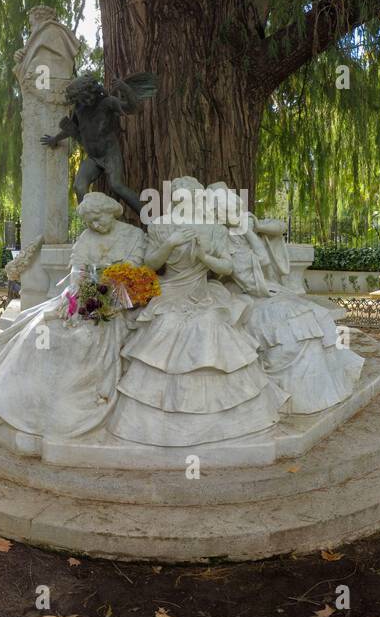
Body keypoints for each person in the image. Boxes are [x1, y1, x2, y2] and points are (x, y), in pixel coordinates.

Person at [108, 177, 286, 447]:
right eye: (178, 196)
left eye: (188, 196)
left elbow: (226, 268)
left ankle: (216, 416)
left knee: (211, 322)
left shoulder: (214, 229)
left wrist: (204, 257)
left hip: (203, 292)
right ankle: (161, 419)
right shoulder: (160, 225)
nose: (182, 200)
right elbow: (150, 265)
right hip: (169, 291)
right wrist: (170, 243)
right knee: (167, 323)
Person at [0, 192, 147, 439]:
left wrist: (105, 291)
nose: (94, 226)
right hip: (85, 296)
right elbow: (78, 268)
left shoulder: (133, 236)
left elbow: (134, 271)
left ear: (110, 212)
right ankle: (21, 393)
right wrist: (78, 292)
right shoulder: (87, 237)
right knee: (38, 324)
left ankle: (66, 403)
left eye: (98, 219)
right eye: (89, 222)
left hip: (118, 301)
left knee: (81, 340)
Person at [207, 184, 363, 414]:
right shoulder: (220, 239)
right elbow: (257, 265)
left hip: (266, 290)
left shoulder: (245, 228)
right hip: (245, 294)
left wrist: (253, 228)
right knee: (290, 321)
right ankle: (297, 396)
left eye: (231, 204)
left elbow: (275, 234)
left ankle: (316, 391)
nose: (230, 210)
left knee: (311, 315)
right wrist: (247, 233)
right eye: (223, 207)